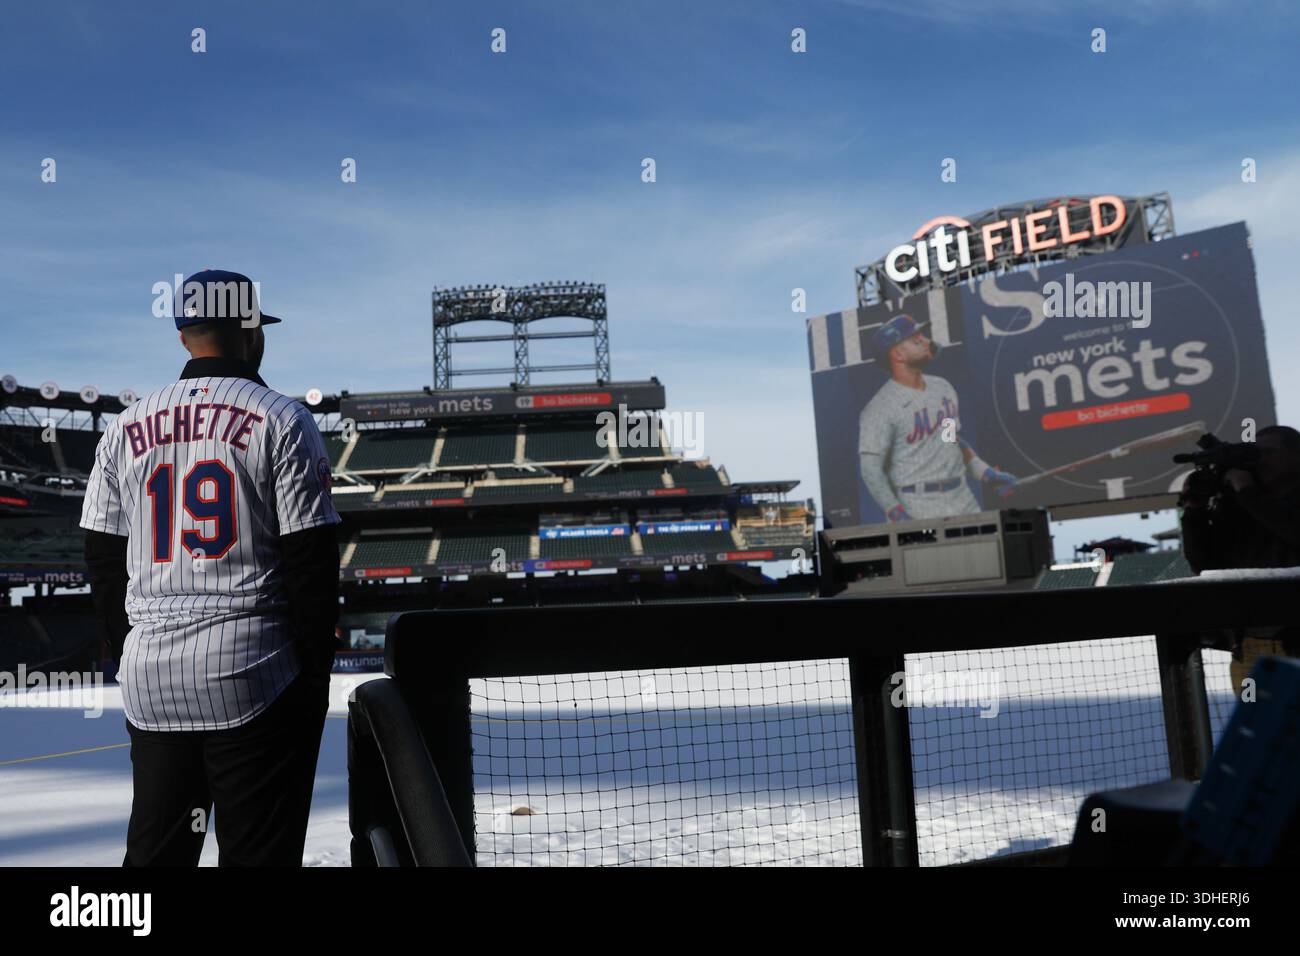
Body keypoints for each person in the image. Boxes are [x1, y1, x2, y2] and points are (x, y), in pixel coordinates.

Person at [81, 269, 342, 866]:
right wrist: (312, 678)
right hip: (254, 666)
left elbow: (100, 553)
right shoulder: (282, 418)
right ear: (252, 332)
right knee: (257, 857)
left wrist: (128, 646)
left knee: (156, 855)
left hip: (151, 677)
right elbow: (310, 560)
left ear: (182, 337)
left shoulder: (125, 426)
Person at [857, 314, 1017, 522]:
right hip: (916, 502)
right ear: (897, 354)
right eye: (916, 339)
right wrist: (893, 509)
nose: (926, 342)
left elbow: (951, 440)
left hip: (962, 497)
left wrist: (985, 472)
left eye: (922, 336)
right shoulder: (879, 408)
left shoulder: (943, 387)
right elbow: (870, 469)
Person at [1179, 424, 1300, 689]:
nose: (1260, 460)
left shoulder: (1252, 497)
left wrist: (1247, 492)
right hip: (1250, 647)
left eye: (1269, 452)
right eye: (1256, 453)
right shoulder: (1241, 505)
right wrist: (1194, 512)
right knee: (1259, 729)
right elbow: (1205, 564)